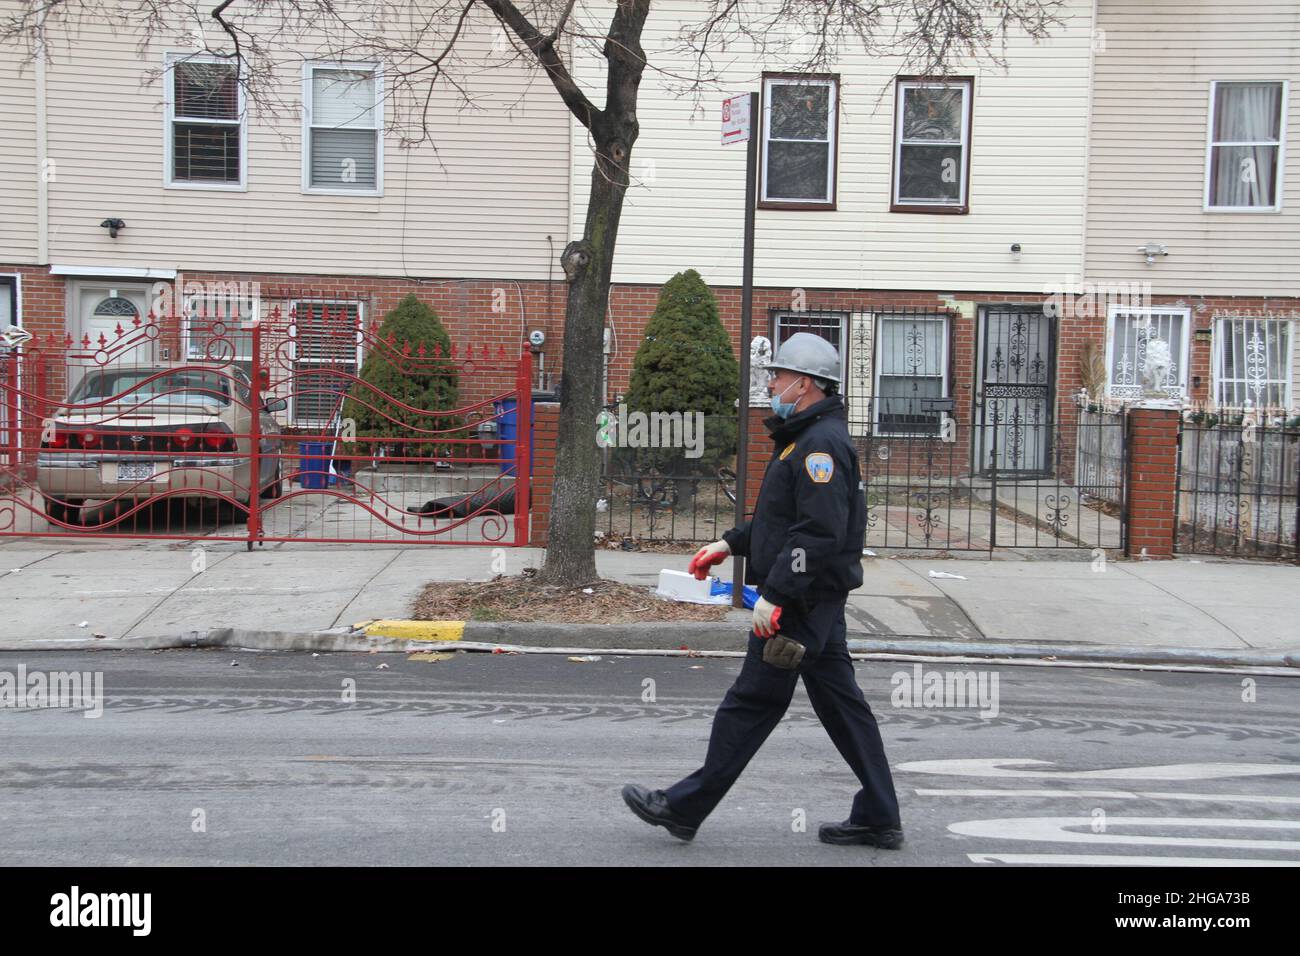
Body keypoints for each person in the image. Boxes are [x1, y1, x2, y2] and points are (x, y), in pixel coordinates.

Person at [622, 332, 903, 848]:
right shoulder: (805, 436)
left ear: (806, 383)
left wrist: (775, 594)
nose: (770, 382)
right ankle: (880, 815)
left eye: (778, 375)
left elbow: (818, 534)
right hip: (816, 600)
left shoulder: (820, 445)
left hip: (799, 603)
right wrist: (728, 544)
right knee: (843, 707)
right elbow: (782, 522)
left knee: (751, 702)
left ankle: (683, 807)